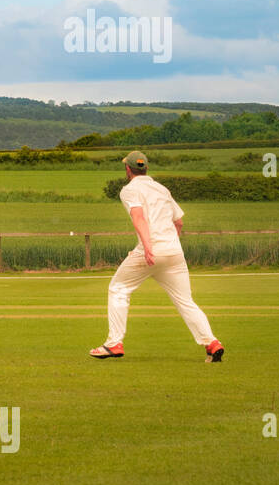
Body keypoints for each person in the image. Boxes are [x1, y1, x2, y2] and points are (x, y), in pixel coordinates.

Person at [90, 152, 224, 361]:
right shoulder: (162, 189)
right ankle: (212, 342)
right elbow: (178, 222)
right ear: (146, 168)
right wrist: (168, 245)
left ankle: (114, 343)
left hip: (150, 251)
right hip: (174, 253)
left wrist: (148, 247)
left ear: (128, 169)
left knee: (118, 289)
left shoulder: (129, 190)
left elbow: (138, 217)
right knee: (185, 301)